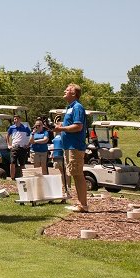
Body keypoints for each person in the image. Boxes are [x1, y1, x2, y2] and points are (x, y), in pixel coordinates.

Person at [51, 83, 89, 212]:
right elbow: (71, 124)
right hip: (68, 146)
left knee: (78, 174)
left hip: (75, 146)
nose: (64, 91)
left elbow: (78, 126)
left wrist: (60, 128)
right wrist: (61, 124)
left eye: (67, 90)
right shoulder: (70, 107)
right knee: (75, 173)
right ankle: (80, 203)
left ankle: (83, 205)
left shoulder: (77, 107)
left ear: (74, 94)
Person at [7, 114, 32, 180]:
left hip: (22, 147)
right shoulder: (12, 128)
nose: (16, 120)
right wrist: (8, 145)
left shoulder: (25, 127)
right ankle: (12, 178)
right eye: (15, 119)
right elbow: (7, 136)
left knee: (22, 164)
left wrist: (28, 144)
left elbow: (31, 136)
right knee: (12, 163)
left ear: (20, 119)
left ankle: (23, 177)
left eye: (17, 119)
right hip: (14, 147)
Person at [51, 131, 67, 196]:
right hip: (59, 156)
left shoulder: (56, 139)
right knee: (63, 172)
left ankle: (64, 186)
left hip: (58, 156)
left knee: (61, 172)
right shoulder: (58, 138)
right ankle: (64, 186)